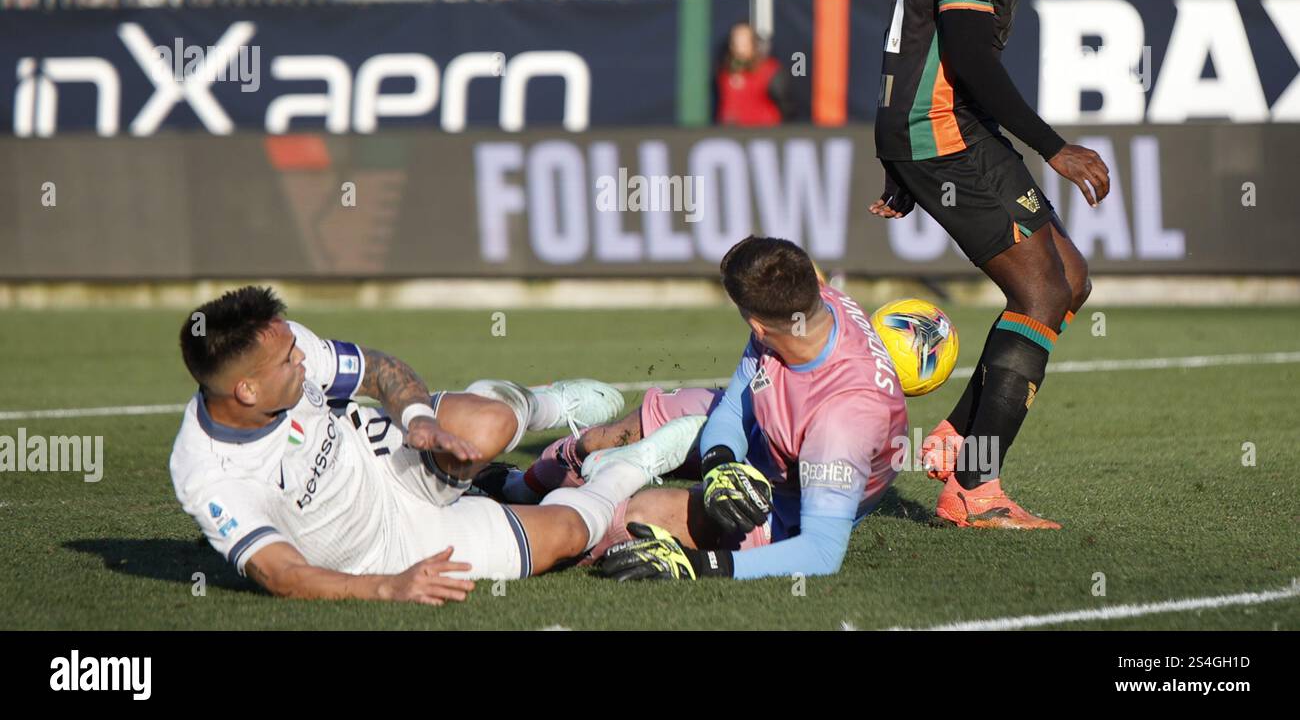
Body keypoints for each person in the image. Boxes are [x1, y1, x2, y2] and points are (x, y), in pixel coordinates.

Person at [869, 0, 1117, 529]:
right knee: (1040, 289)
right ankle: (975, 488)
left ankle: (952, 441)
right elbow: (972, 55)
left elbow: (915, 37)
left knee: (1070, 277)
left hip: (949, 125)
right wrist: (1052, 145)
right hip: (939, 128)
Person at [169, 285, 699, 602]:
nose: (303, 358)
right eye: (289, 361)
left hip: (383, 457)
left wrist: (419, 420)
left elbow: (379, 371)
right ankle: (629, 465)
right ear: (245, 389)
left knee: (486, 428)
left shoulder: (284, 343)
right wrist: (389, 587)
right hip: (388, 553)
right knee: (570, 533)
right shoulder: (210, 474)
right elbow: (281, 575)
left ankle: (545, 406)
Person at [588, 237, 909, 581]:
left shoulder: (844, 422)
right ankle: (528, 484)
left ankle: (547, 528)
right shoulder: (804, 305)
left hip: (788, 506)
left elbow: (822, 551)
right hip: (770, 439)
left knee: (635, 518)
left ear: (756, 326)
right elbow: (733, 408)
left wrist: (700, 565)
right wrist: (720, 464)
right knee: (613, 435)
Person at [714, 21, 804, 126]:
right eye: (736, 40)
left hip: (761, 134)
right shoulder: (724, 71)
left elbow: (787, 107)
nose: (739, 46)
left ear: (753, 43)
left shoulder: (770, 70)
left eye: (744, 41)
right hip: (729, 134)